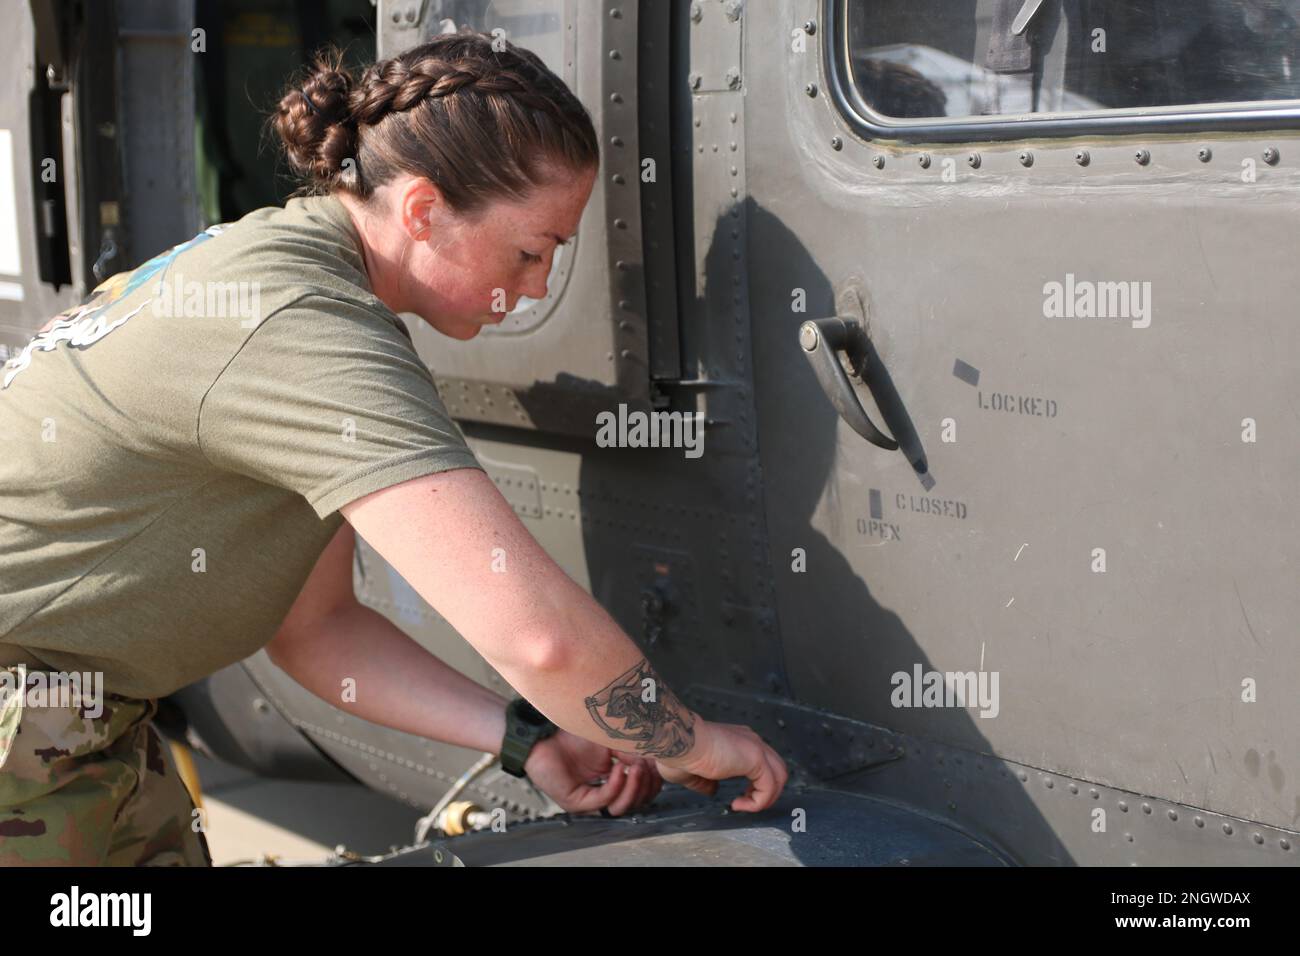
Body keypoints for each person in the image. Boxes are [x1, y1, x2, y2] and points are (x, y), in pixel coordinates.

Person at [0, 31, 788, 867]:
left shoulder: (287, 272)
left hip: (76, 719)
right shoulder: (300, 324)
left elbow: (320, 629)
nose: (536, 289)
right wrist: (691, 743)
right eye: (530, 251)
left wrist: (527, 739)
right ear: (421, 209)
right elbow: (537, 638)